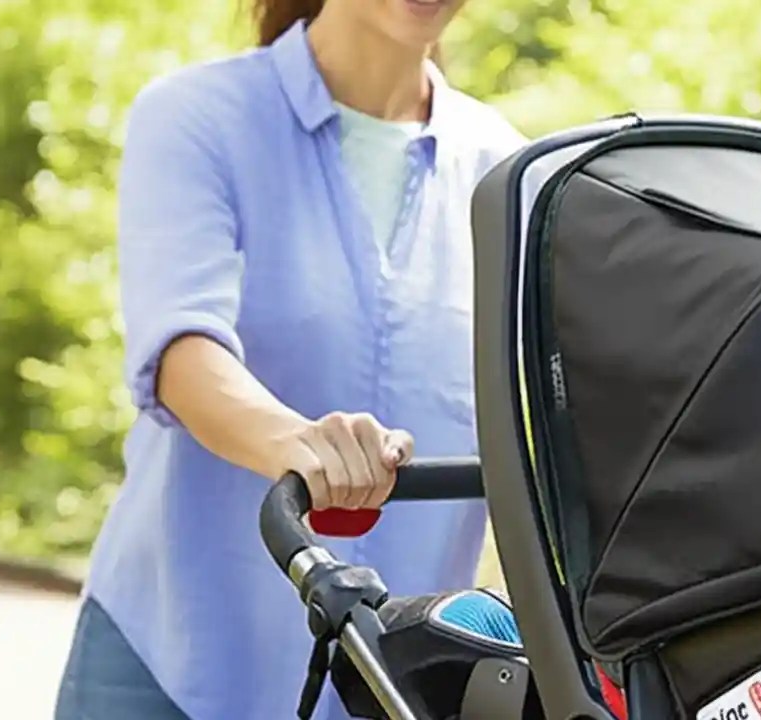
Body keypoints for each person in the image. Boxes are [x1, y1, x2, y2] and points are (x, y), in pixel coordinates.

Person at [53, 0, 526, 717]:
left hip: (394, 683)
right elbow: (181, 350)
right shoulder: (196, 117)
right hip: (173, 662)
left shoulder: (509, 177)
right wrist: (299, 445)